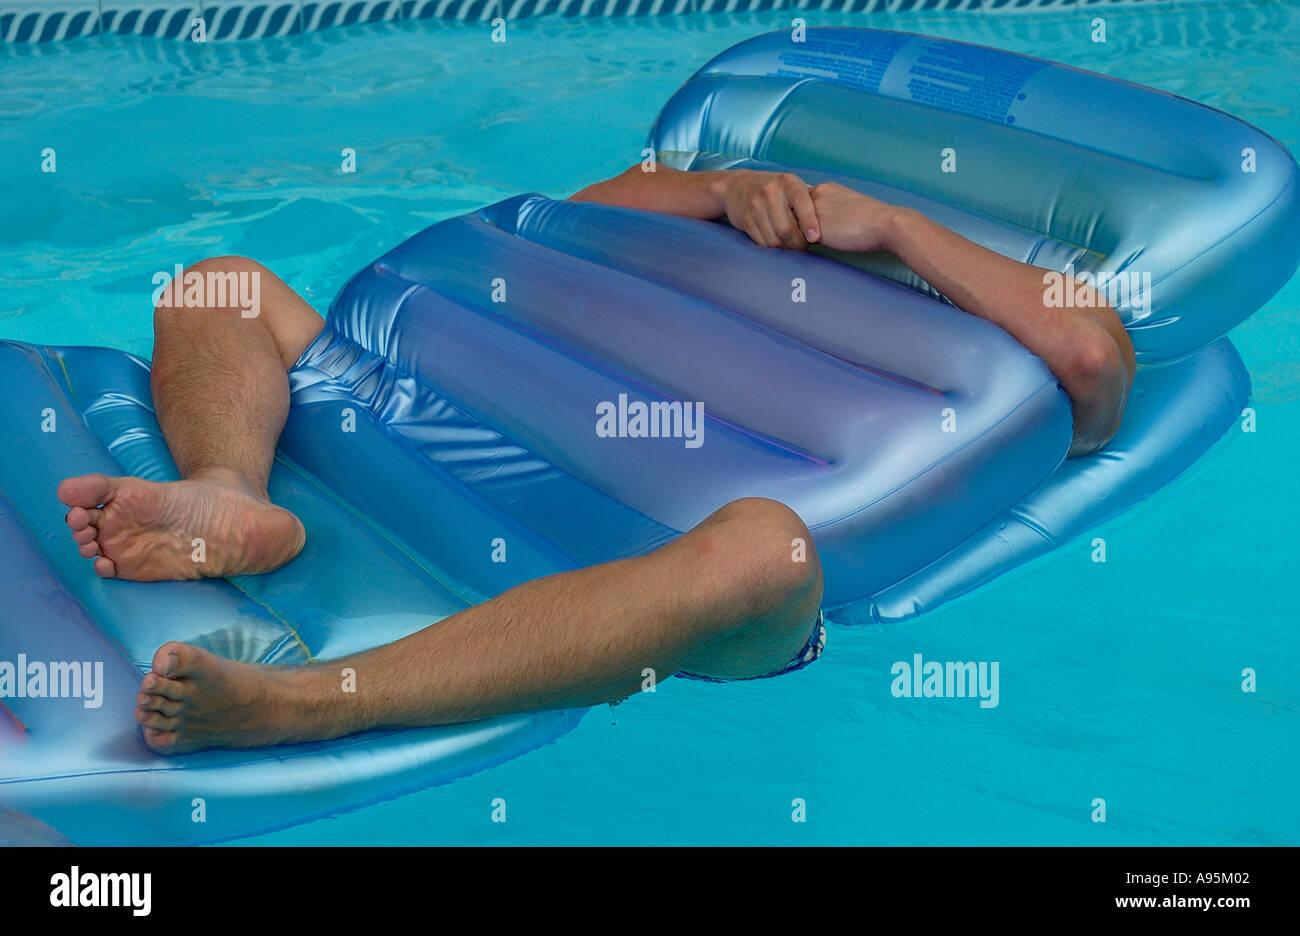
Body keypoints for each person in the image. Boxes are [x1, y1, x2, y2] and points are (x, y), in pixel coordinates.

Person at [55, 165, 1134, 754]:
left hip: (644, 559)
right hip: (441, 433)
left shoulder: (994, 292)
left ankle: (317, 699)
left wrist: (892, 224)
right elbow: (565, 218)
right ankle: (232, 490)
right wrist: (729, 190)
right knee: (218, 283)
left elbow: (1090, 363)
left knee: (769, 550)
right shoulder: (744, 206)